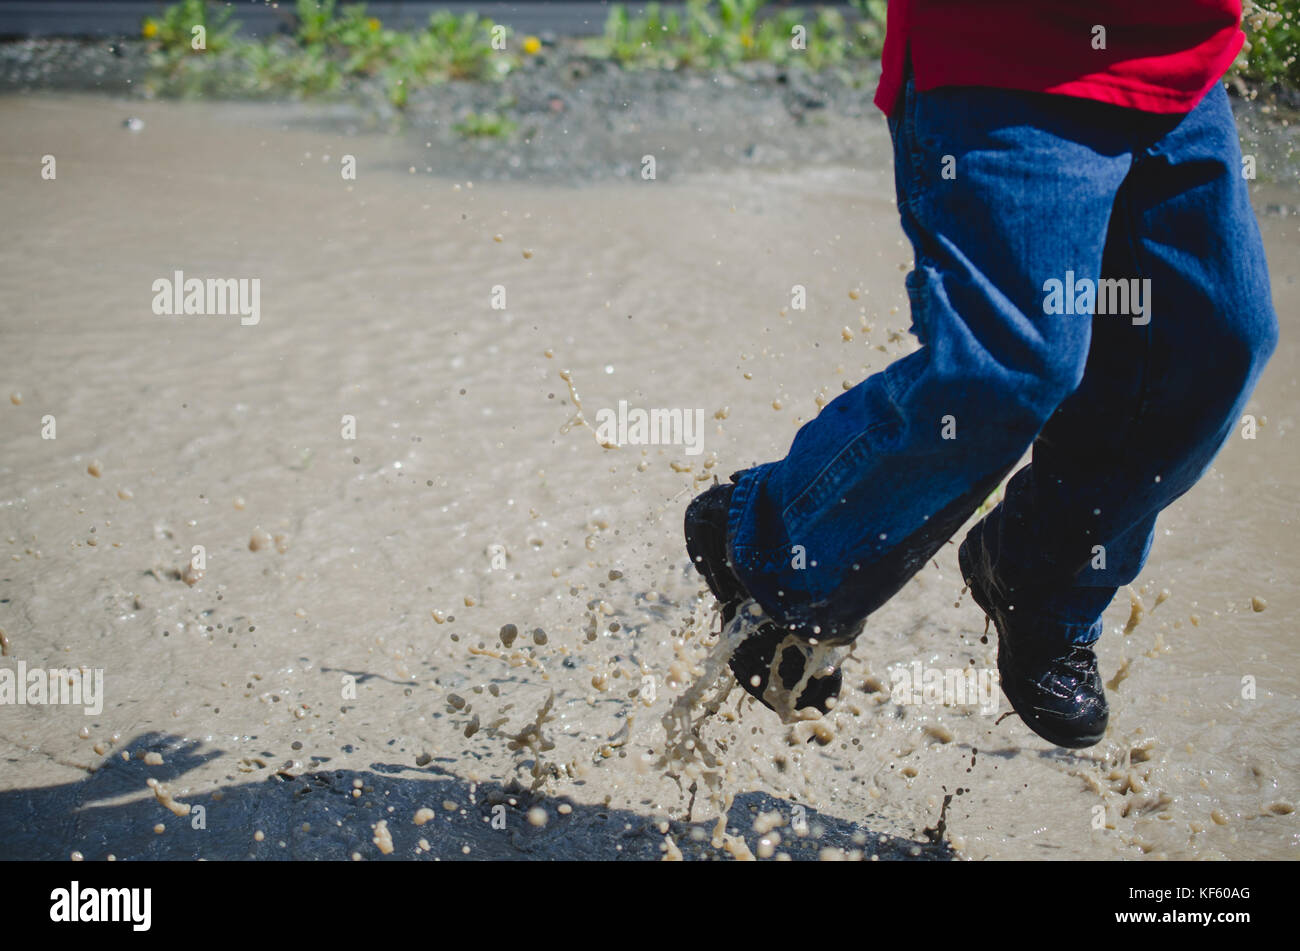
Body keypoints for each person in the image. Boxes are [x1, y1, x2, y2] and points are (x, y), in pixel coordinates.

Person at [684, 0, 1278, 748]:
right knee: (1008, 365)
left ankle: (1037, 578)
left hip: (1177, 57)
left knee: (1212, 346)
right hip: (1002, 55)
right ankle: (769, 539)